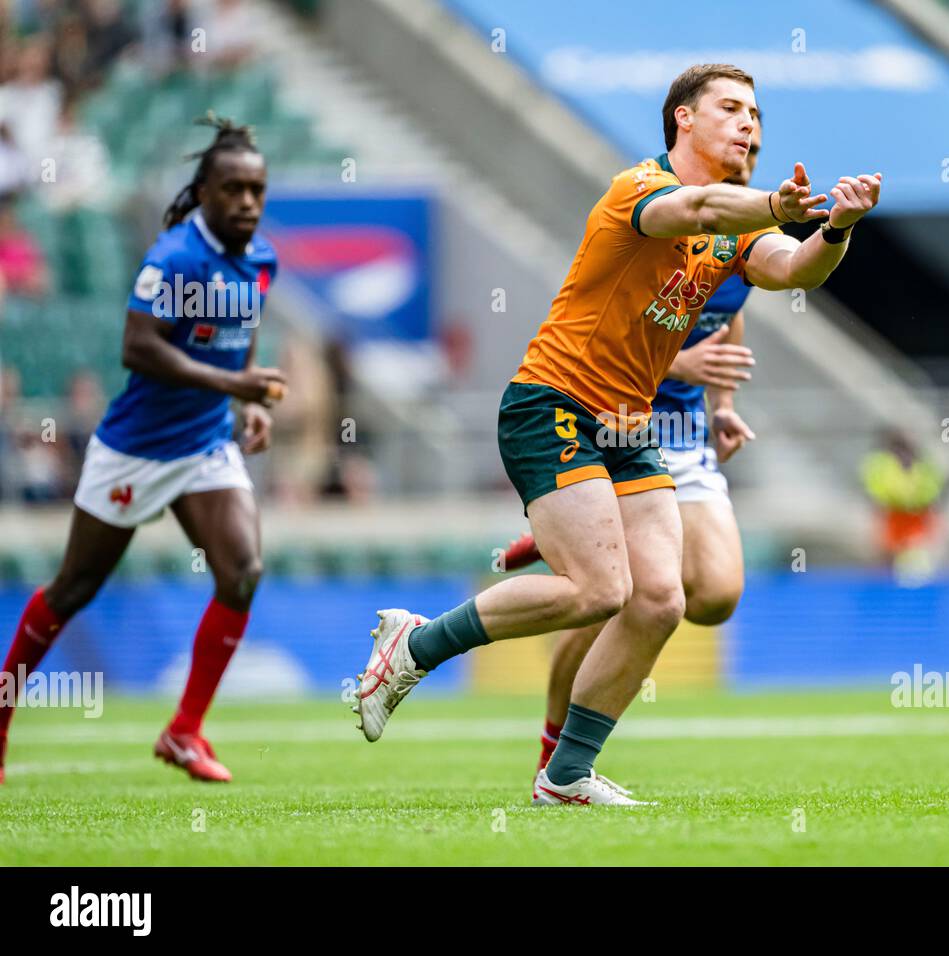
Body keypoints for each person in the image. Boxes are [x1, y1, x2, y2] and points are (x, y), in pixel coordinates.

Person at [351, 63, 881, 805]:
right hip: (553, 404)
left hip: (627, 423)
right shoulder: (640, 189)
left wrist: (836, 227)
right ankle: (415, 644)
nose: (749, 122)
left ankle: (565, 775)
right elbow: (694, 209)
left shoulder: (741, 226)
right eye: (730, 107)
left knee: (661, 598)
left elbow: (797, 270)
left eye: (755, 112)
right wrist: (771, 201)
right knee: (598, 591)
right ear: (682, 121)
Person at [0, 115, 283, 785]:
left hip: (206, 443)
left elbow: (239, 331)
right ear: (205, 192)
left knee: (242, 570)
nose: (246, 202)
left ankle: (184, 731)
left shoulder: (261, 260)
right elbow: (139, 348)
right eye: (233, 189)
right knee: (74, 587)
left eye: (257, 191)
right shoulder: (175, 257)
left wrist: (244, 403)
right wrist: (234, 382)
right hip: (136, 449)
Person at [501, 116, 766, 782]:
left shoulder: (738, 245)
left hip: (678, 432)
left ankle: (573, 532)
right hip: (618, 417)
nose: (748, 152)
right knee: (617, 595)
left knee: (715, 594)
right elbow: (626, 337)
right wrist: (684, 368)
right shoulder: (655, 204)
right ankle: (556, 754)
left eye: (758, 147)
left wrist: (724, 408)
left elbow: (725, 325)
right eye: (740, 134)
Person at [861, 429, 944, 578]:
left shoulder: (925, 466)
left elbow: (931, 492)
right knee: (886, 558)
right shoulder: (882, 465)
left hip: (917, 517)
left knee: (916, 560)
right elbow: (878, 492)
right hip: (893, 516)